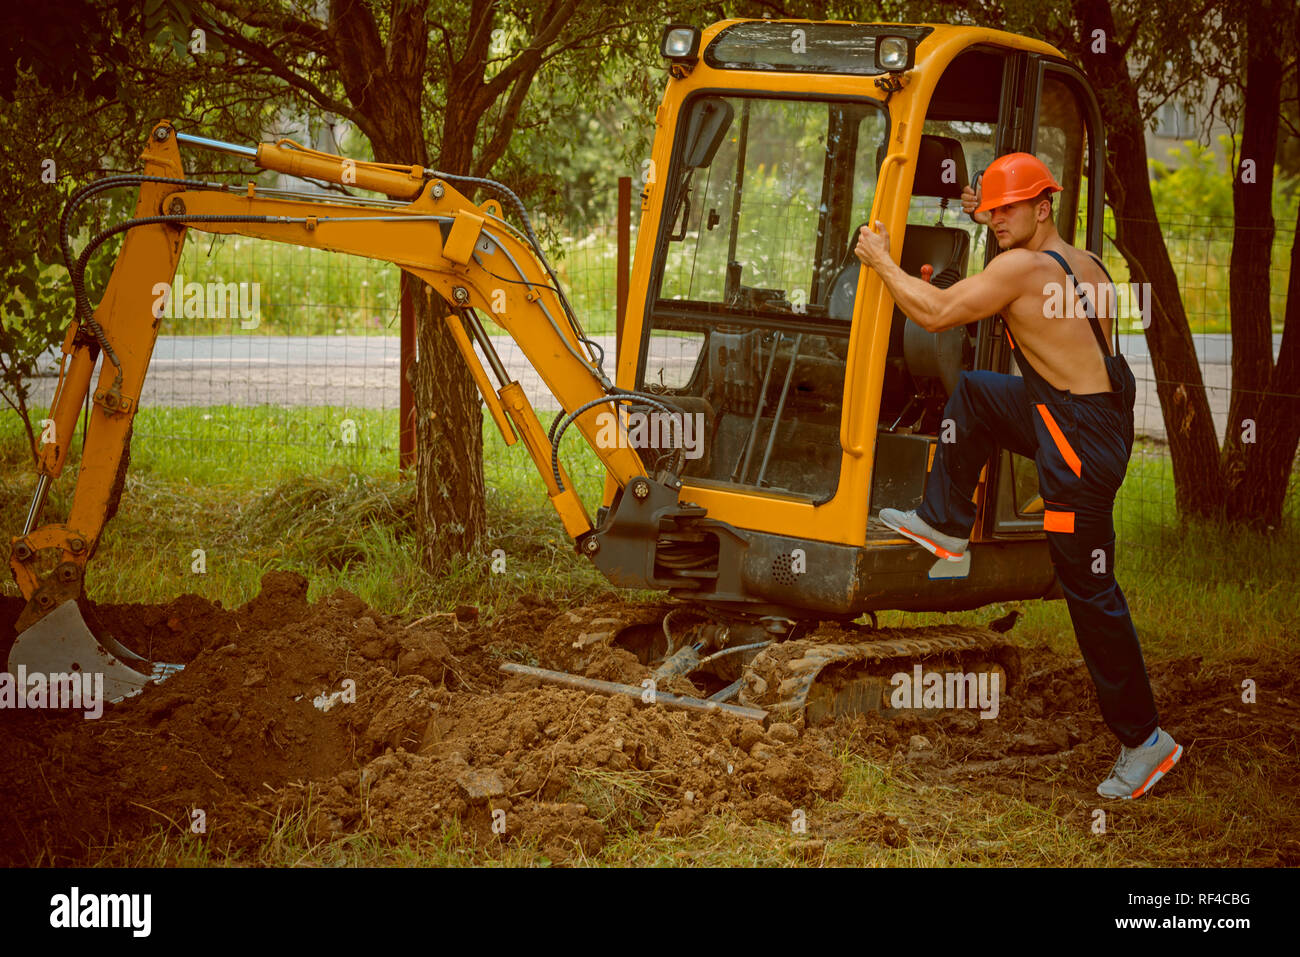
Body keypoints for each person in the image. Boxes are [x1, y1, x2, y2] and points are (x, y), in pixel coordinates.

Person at [853, 152, 1181, 800]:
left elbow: (939, 312)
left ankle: (1145, 741)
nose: (998, 219)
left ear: (1043, 206)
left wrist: (883, 263)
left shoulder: (1020, 269)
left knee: (1090, 593)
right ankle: (944, 521)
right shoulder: (1083, 265)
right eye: (991, 209)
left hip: (1077, 452)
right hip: (1085, 419)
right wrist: (990, 211)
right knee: (974, 392)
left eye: (1010, 208)